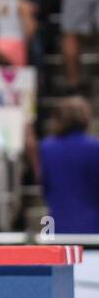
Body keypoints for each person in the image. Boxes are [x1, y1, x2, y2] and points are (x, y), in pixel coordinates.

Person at [38, 97, 99, 234]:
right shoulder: (95, 148)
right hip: (92, 227)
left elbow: (45, 187)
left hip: (57, 227)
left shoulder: (46, 148)